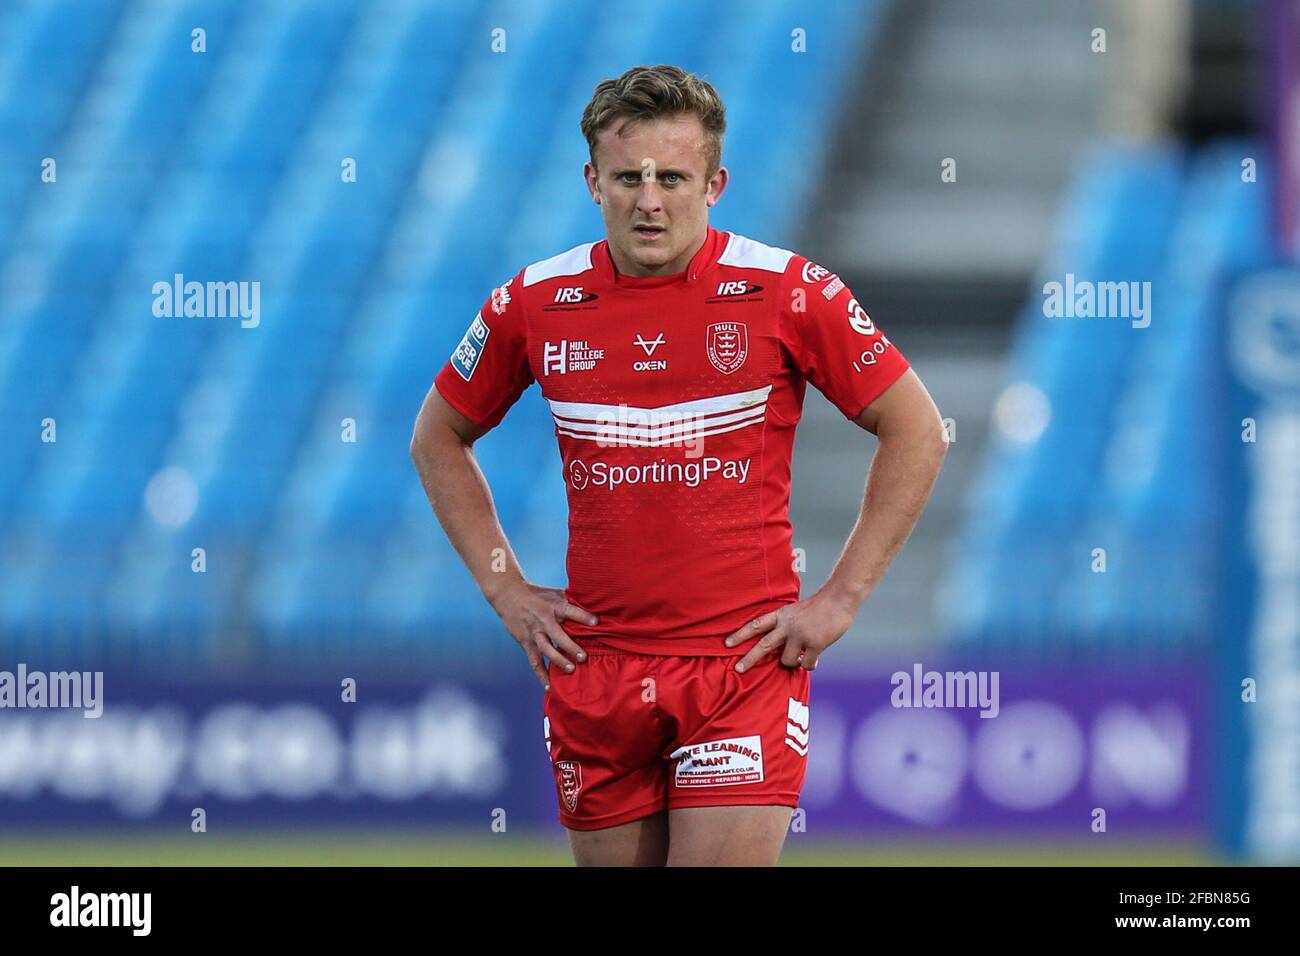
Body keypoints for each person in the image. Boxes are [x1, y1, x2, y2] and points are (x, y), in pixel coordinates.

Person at [410, 64, 947, 866]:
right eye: (628, 177)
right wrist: (507, 590)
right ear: (592, 181)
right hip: (595, 668)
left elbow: (918, 428)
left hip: (739, 666)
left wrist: (840, 598)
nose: (649, 199)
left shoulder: (788, 292)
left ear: (716, 182)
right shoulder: (533, 302)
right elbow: (438, 438)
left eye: (673, 177)